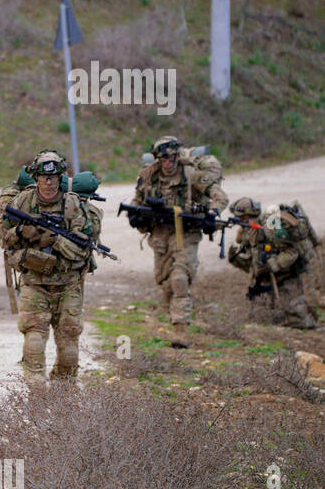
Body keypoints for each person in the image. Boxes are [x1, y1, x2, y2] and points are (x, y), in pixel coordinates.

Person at [0, 150, 95, 379]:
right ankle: (38, 400)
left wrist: (56, 240)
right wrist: (23, 231)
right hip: (34, 282)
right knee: (34, 340)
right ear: (36, 178)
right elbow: (5, 240)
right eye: (44, 177)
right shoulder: (23, 202)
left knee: (69, 347)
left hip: (68, 283)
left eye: (54, 177)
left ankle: (63, 398)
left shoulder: (73, 205)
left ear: (61, 177)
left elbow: (83, 250)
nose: (49, 182)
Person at [128, 136, 229, 347]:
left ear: (177, 156)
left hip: (186, 234)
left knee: (179, 279)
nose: (169, 162)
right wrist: (135, 215)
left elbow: (220, 197)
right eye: (164, 158)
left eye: (173, 156)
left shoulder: (191, 175)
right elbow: (136, 200)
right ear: (157, 159)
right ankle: (171, 312)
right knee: (164, 281)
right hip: (160, 235)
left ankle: (180, 330)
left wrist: (212, 213)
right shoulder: (148, 176)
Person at [228, 197, 318, 330]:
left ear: (251, 215)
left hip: (286, 276)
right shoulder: (248, 230)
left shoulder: (271, 227)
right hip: (264, 278)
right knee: (262, 318)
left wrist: (272, 265)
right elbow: (251, 253)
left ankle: (309, 313)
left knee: (298, 321)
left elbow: (292, 252)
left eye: (244, 218)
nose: (242, 222)